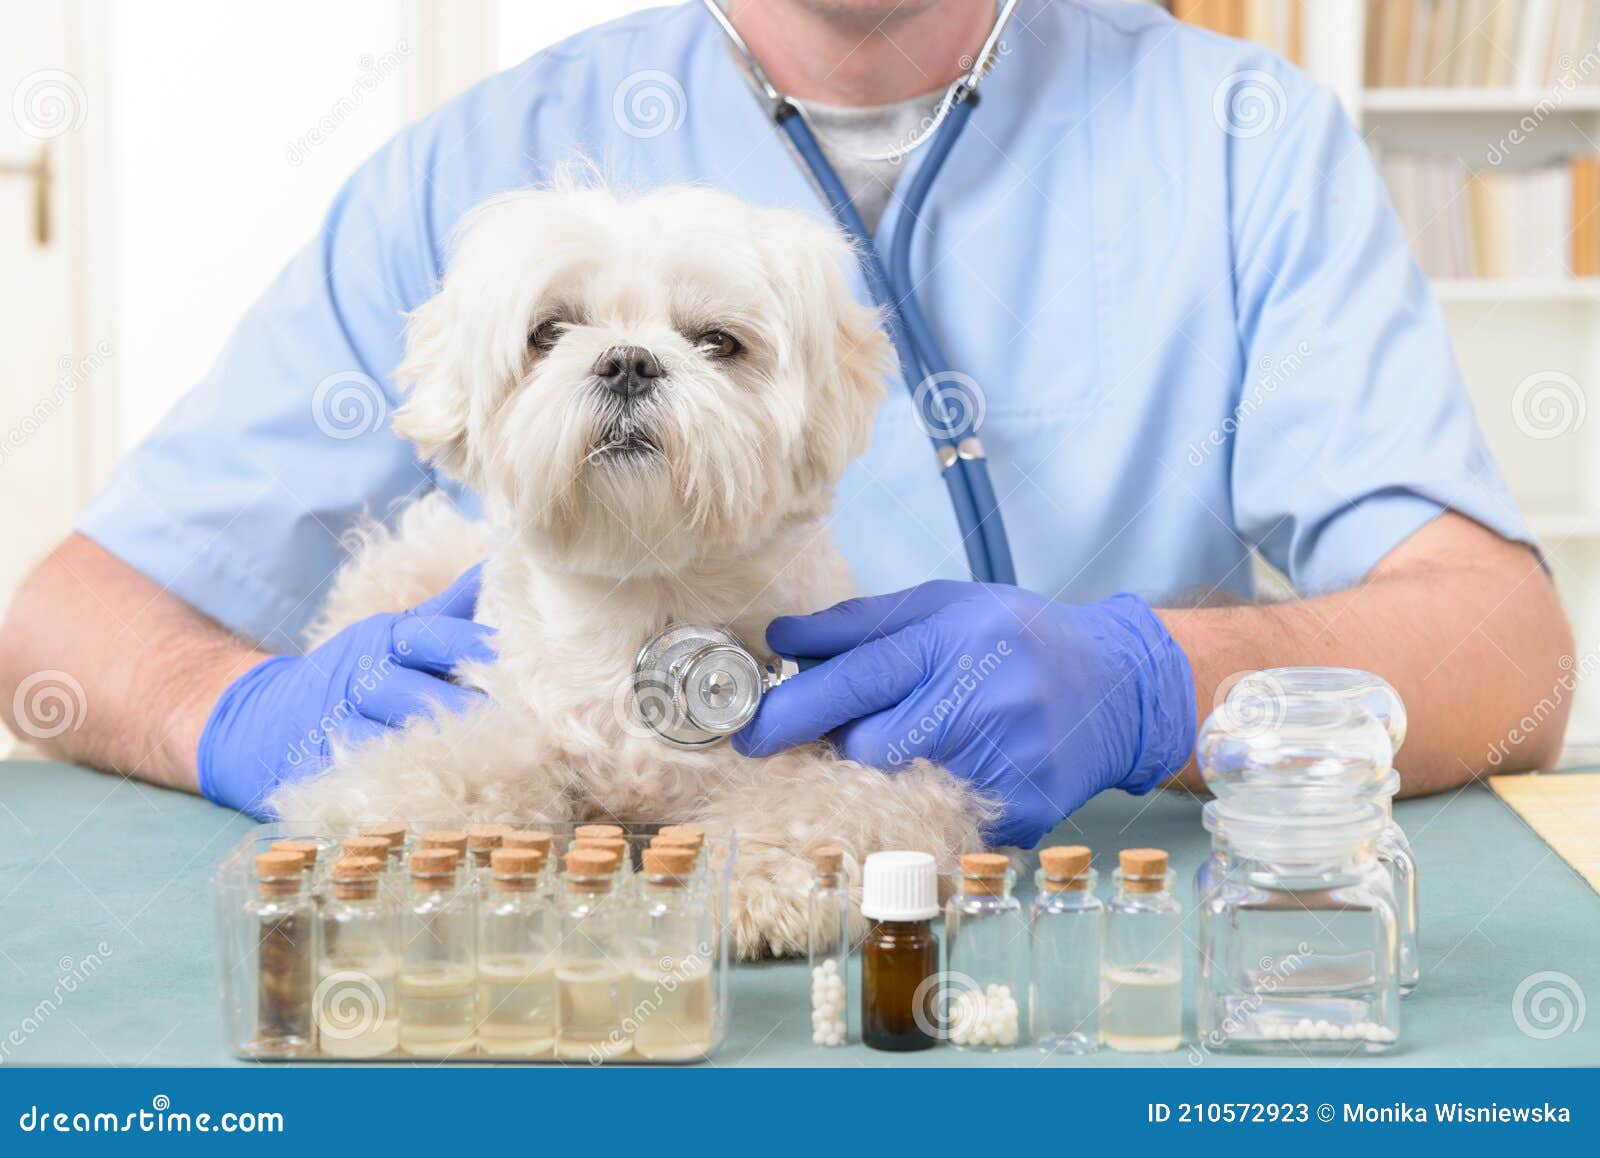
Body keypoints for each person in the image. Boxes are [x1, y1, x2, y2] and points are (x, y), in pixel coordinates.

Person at [0, 1, 1573, 838]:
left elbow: (1509, 660)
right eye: (570, 338)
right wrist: (240, 714)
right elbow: (62, 631)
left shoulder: (1243, 141)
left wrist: (1156, 685)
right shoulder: (475, 168)